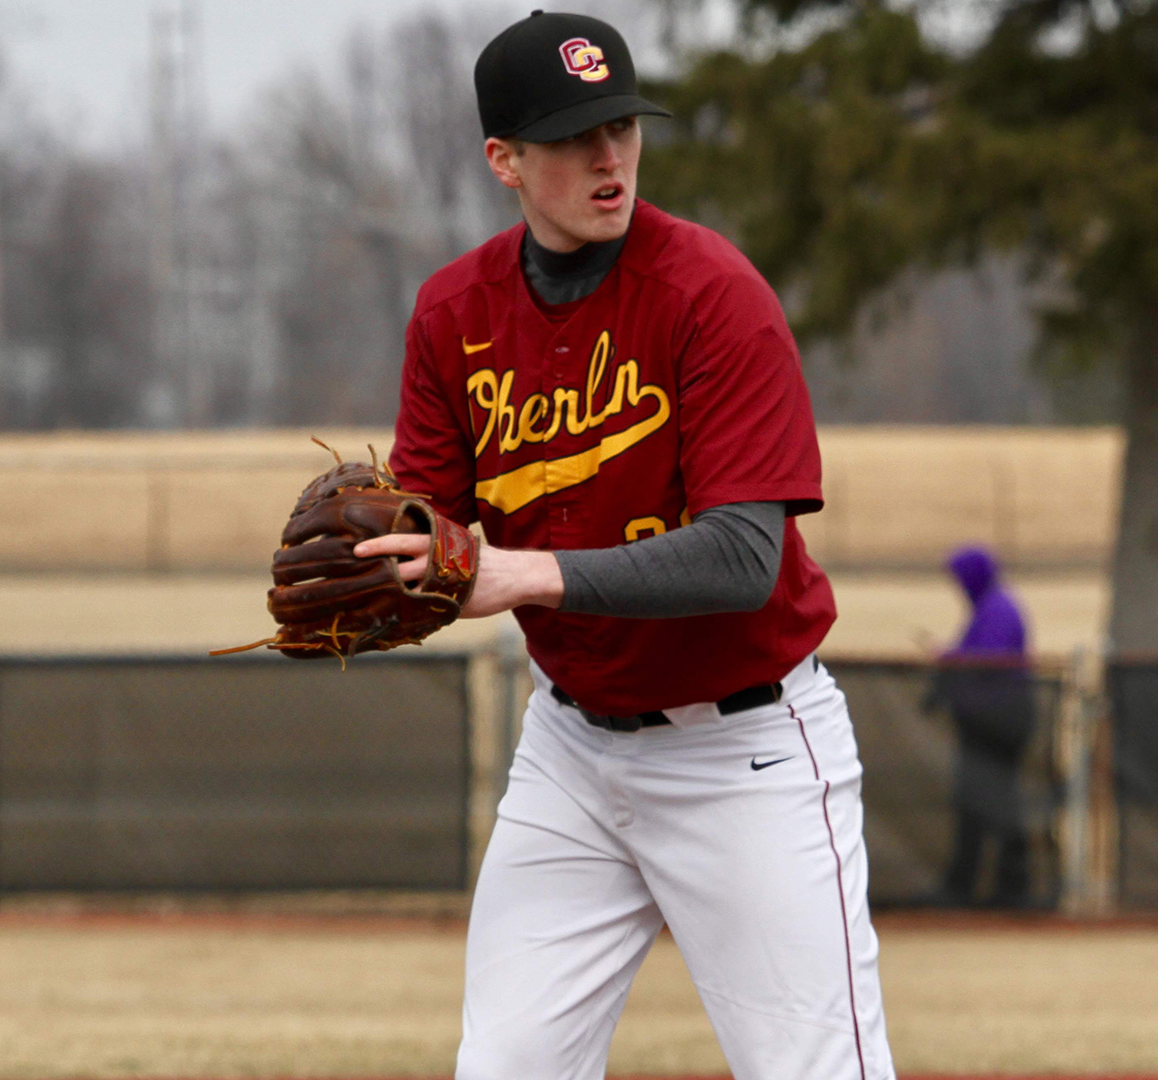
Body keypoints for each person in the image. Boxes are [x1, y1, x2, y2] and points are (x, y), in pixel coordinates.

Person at [350, 11, 894, 1079]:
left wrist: (521, 575)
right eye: (572, 136)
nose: (610, 157)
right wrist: (378, 573)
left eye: (622, 125)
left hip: (744, 751)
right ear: (504, 159)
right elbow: (436, 536)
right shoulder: (453, 312)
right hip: (571, 751)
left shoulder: (712, 294)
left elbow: (741, 558)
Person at [926, 544, 1036, 908]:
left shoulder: (998, 609)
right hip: (986, 721)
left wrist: (950, 658)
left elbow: (988, 659)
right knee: (978, 802)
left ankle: (1009, 888)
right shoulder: (988, 608)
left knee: (995, 800)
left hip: (999, 722)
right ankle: (974, 886)